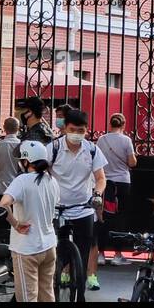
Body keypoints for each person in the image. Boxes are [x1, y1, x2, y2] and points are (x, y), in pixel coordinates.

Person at [47, 109, 107, 292]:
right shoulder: (53, 148)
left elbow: (101, 178)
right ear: (64, 128)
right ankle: (54, 282)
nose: (77, 134)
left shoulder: (92, 150)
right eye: (73, 129)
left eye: (81, 131)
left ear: (86, 130)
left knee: (82, 253)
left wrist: (97, 194)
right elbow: (41, 174)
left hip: (83, 208)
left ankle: (80, 290)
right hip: (56, 209)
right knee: (55, 253)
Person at [0, 140, 61, 302]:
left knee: (27, 297)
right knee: (47, 294)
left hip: (26, 248)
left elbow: (3, 204)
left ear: (26, 161)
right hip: (49, 245)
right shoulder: (52, 181)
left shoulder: (22, 180)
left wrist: (16, 224)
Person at [96, 113, 137, 265]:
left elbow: (97, 160)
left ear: (110, 124)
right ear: (123, 125)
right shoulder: (126, 140)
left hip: (105, 182)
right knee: (120, 218)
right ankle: (118, 254)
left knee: (103, 217)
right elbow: (132, 163)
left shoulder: (101, 139)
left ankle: (100, 253)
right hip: (122, 183)